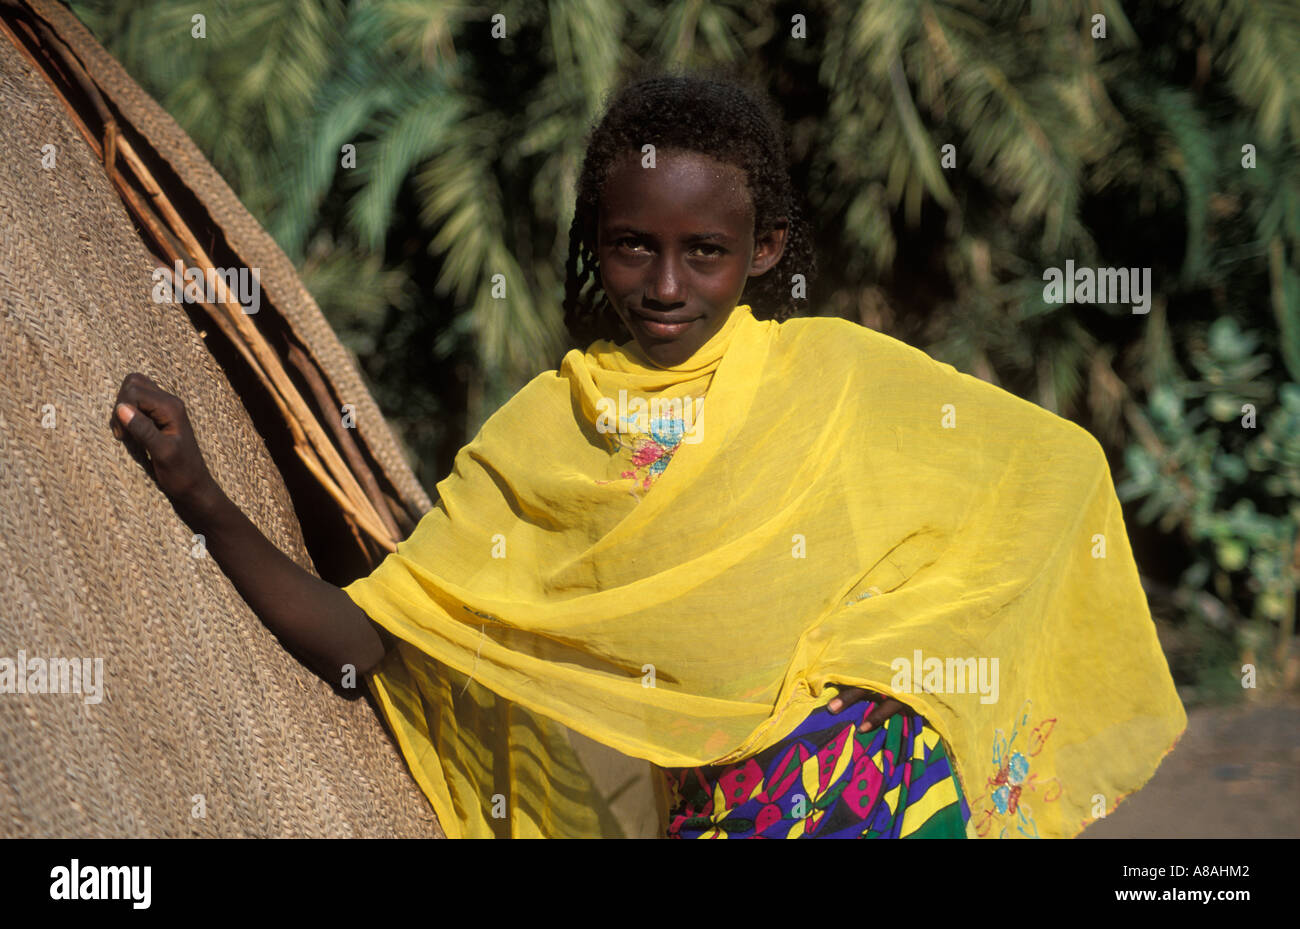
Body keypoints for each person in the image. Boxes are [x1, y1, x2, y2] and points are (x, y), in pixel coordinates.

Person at [112, 71, 1185, 839]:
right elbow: (376, 638)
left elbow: (1054, 469)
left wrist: (891, 657)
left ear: (762, 250)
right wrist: (203, 494)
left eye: (704, 252)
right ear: (596, 243)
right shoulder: (545, 434)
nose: (666, 284)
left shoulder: (836, 373)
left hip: (893, 791)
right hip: (735, 811)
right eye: (635, 246)